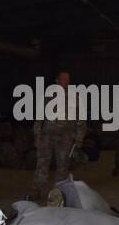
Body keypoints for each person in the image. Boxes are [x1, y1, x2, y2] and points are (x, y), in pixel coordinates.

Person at [33, 69, 83, 200]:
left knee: (63, 165)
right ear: (57, 80)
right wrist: (37, 135)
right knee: (42, 164)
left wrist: (79, 139)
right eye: (63, 79)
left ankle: (59, 193)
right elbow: (39, 117)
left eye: (68, 79)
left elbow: (80, 119)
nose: (66, 81)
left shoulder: (74, 97)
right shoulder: (48, 96)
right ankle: (40, 189)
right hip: (47, 136)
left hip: (66, 138)